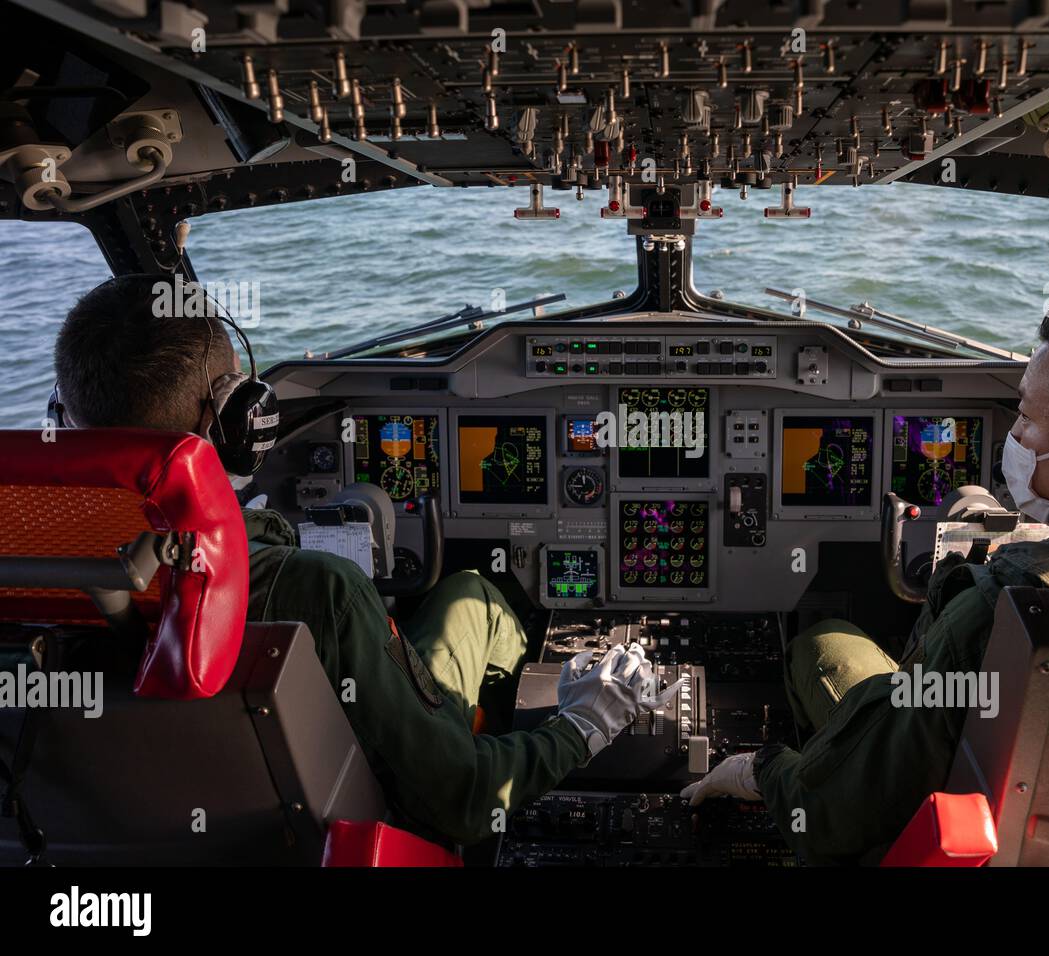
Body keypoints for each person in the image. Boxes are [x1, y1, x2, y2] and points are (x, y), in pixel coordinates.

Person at [52, 275, 675, 848]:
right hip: (370, 820)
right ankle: (501, 738)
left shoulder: (39, 575)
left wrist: (252, 522)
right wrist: (585, 723)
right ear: (237, 420)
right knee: (477, 598)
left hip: (145, 832)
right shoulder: (314, 591)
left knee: (467, 593)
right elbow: (461, 802)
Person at [682, 295, 1049, 864]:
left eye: (1026, 416)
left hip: (927, 817)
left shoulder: (999, 615)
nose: (1013, 436)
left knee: (820, 644)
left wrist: (756, 769)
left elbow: (829, 814)